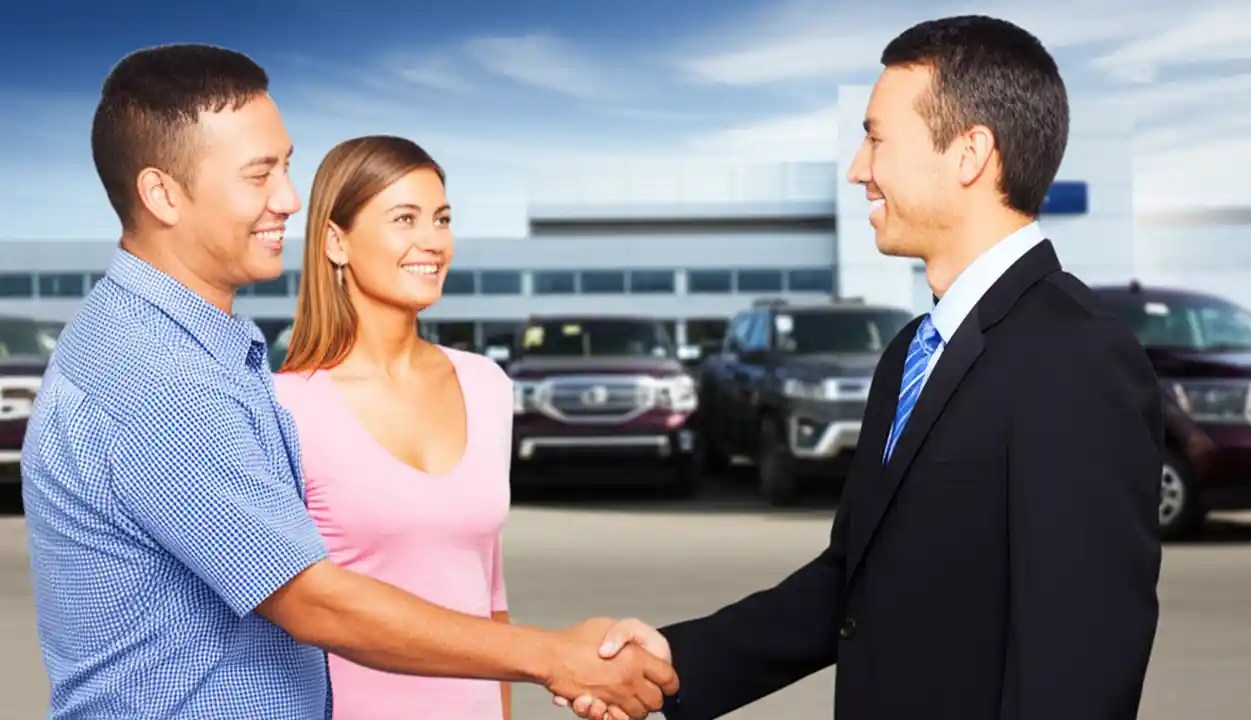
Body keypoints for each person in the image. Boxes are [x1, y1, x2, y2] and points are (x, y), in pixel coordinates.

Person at [20, 43, 676, 720]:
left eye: (287, 165)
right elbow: (310, 599)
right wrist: (553, 656)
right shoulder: (151, 374)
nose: (289, 199)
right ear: (162, 194)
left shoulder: (199, 350)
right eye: (258, 175)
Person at [564, 14, 1164, 720]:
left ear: (969, 154)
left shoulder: (1076, 356)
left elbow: (1081, 664)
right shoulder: (909, 352)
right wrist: (674, 662)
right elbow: (854, 582)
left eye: (877, 137)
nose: (858, 168)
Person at [271, 135, 514, 719]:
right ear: (335, 240)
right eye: (404, 218)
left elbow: (490, 596)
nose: (432, 241)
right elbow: (290, 613)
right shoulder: (283, 407)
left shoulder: (486, 385)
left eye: (442, 219)